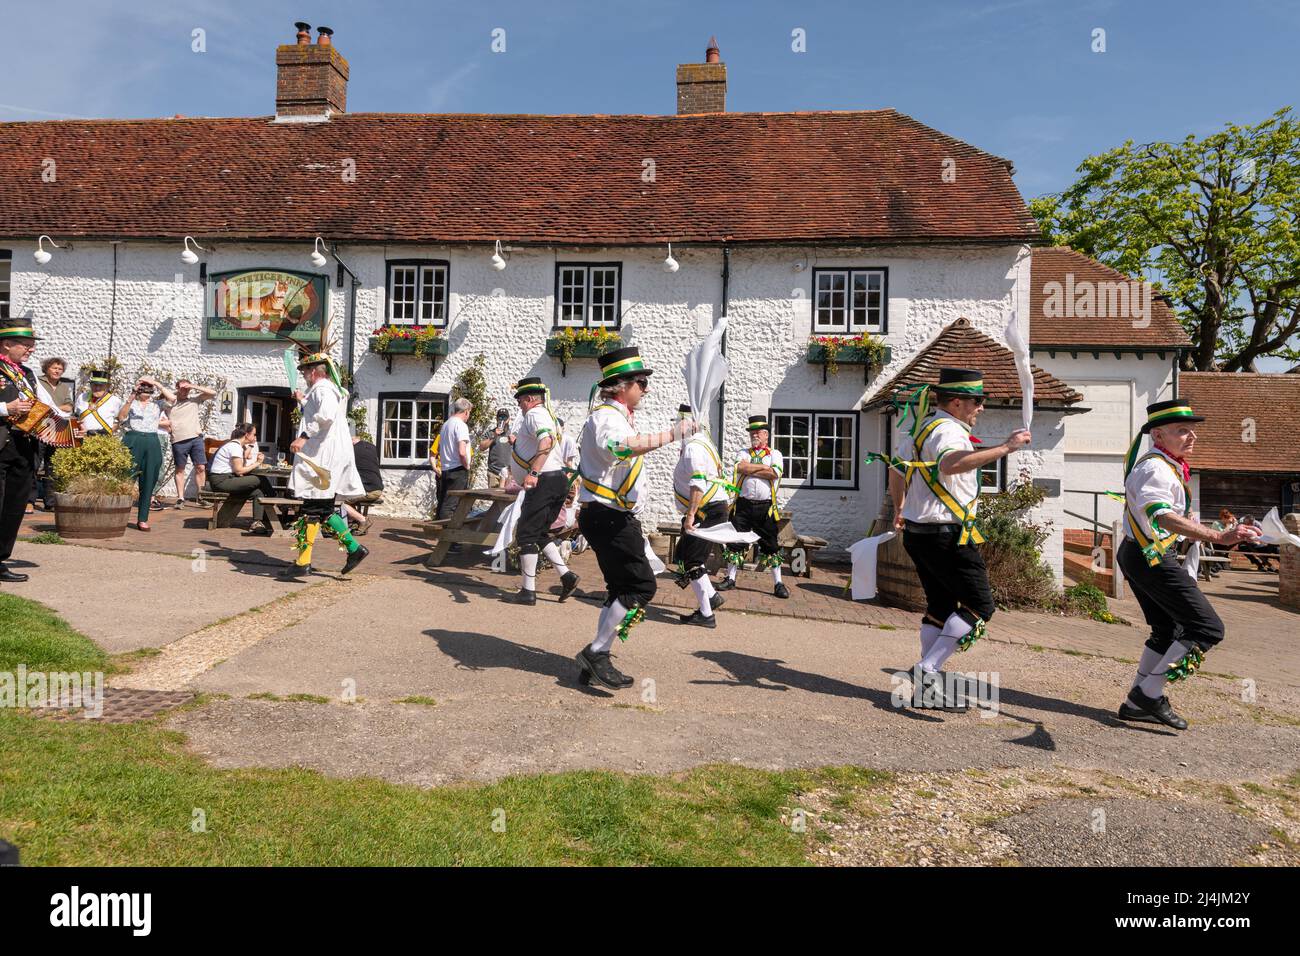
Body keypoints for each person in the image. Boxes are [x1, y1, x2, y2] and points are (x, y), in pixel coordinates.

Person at [888, 367, 1031, 709]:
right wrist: (1006, 448)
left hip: (918, 531)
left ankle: (926, 690)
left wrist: (899, 507)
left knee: (939, 606)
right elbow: (951, 464)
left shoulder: (922, 428)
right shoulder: (949, 431)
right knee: (980, 606)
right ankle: (927, 669)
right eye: (977, 401)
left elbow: (896, 469)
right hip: (946, 533)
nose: (981, 407)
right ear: (956, 403)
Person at [1116, 398, 1260, 730]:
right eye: (1182, 431)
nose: (1191, 437)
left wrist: (1216, 529)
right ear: (1158, 436)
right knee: (1207, 628)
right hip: (1148, 558)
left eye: (1192, 431)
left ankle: (1136, 702)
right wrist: (1218, 537)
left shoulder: (1166, 465)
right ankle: (1147, 695)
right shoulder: (1155, 468)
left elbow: (1171, 515)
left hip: (1140, 555)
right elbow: (1161, 516)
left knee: (1167, 630)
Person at [573, 346, 696, 690]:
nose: (646, 388)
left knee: (620, 588)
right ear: (621, 385)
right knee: (641, 586)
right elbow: (621, 447)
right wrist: (673, 434)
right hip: (608, 516)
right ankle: (596, 652)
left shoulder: (617, 416)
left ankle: (595, 659)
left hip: (611, 515)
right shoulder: (606, 418)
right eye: (641, 382)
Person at [281, 351, 369, 577]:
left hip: (323, 457)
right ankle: (354, 548)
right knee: (324, 509)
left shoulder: (322, 389)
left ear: (312, 372)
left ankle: (303, 563)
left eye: (304, 373)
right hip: (327, 456)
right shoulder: (328, 389)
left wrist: (303, 436)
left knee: (312, 509)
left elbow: (325, 415)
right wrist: (302, 400)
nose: (303, 376)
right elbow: (319, 410)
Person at [506, 377, 579, 606]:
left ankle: (528, 591)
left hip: (544, 481)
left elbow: (545, 441)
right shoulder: (543, 415)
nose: (519, 405)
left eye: (520, 401)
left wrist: (533, 473)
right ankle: (566, 576)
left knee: (526, 535)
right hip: (555, 480)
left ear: (529, 399)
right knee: (539, 534)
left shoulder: (534, 414)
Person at [718, 415, 788, 598]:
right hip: (743, 506)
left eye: (757, 432)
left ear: (766, 435)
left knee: (771, 545)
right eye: (752, 432)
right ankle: (730, 579)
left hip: (765, 508)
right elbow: (740, 468)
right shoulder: (743, 452)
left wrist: (753, 468)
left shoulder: (776, 454)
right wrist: (762, 468)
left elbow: (775, 474)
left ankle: (778, 583)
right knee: (734, 542)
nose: (754, 435)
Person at [673, 403, 729, 627]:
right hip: (708, 509)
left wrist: (690, 516)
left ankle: (706, 615)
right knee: (684, 555)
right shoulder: (704, 443)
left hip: (705, 511)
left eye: (678, 424)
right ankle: (712, 596)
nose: (676, 430)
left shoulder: (694, 447)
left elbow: (698, 484)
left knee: (692, 561)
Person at [0, 317, 42, 582]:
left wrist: (71, 426)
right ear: (6, 344)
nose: (31, 349)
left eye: (31, 344)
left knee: (14, 506)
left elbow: (44, 406)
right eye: (25, 344)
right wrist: (6, 409)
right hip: (1, 444)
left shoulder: (26, 373)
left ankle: (1, 560)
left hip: (24, 446)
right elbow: (11, 408)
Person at [116, 377, 173, 532]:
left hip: (152, 440)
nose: (146, 389)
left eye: (149, 388)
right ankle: (118, 515)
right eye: (143, 387)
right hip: (133, 438)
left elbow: (172, 398)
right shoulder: (131, 403)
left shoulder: (158, 404)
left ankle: (142, 519)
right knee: (126, 478)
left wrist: (157, 383)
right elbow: (121, 417)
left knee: (149, 480)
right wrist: (132, 395)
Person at [208, 423, 273, 534]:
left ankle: (257, 523)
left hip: (227, 479)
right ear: (247, 435)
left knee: (258, 492)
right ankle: (275, 499)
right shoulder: (235, 447)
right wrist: (258, 463)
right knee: (260, 479)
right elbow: (239, 470)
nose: (255, 437)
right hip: (221, 481)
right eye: (254, 434)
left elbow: (238, 471)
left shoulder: (236, 446)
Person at [30, 357, 73, 512]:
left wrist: (54, 407)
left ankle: (50, 502)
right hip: (39, 427)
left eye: (60, 369)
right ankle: (30, 500)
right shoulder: (37, 383)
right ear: (46, 369)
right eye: (54, 368)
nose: (57, 371)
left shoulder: (64, 387)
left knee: (53, 466)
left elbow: (69, 406)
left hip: (57, 430)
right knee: (34, 464)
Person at [167, 378, 216, 508]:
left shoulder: (195, 399)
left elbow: (213, 393)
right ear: (177, 388)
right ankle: (180, 499)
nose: (185, 391)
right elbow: (158, 403)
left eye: (187, 389)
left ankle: (201, 497)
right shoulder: (170, 401)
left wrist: (193, 386)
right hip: (178, 439)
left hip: (196, 438)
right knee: (180, 469)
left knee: (200, 467)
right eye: (182, 389)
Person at [436, 398, 473, 524]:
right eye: (469, 413)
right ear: (466, 411)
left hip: (446, 468)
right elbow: (462, 451)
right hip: (457, 469)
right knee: (453, 505)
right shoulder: (460, 425)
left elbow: (441, 447)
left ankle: (443, 536)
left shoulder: (446, 424)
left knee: (444, 502)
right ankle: (450, 540)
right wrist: (466, 465)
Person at [342, 430, 383, 535]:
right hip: (377, 488)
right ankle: (356, 522)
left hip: (368, 491)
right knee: (351, 497)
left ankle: (362, 520)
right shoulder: (371, 447)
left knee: (340, 502)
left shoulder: (352, 451)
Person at [73, 370, 122, 438]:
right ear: (90, 385)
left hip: (103, 440)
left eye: (101, 385)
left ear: (107, 386)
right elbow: (76, 417)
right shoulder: (82, 397)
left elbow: (118, 421)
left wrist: (109, 432)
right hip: (82, 438)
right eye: (95, 385)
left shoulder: (115, 401)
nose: (97, 388)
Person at [480, 408, 515, 488]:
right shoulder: (491, 433)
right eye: (500, 417)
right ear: (496, 419)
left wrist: (514, 441)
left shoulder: (513, 433)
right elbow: (482, 447)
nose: (502, 420)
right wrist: (494, 436)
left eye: (504, 418)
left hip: (508, 473)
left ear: (509, 419)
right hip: (494, 472)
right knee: (494, 497)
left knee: (506, 499)